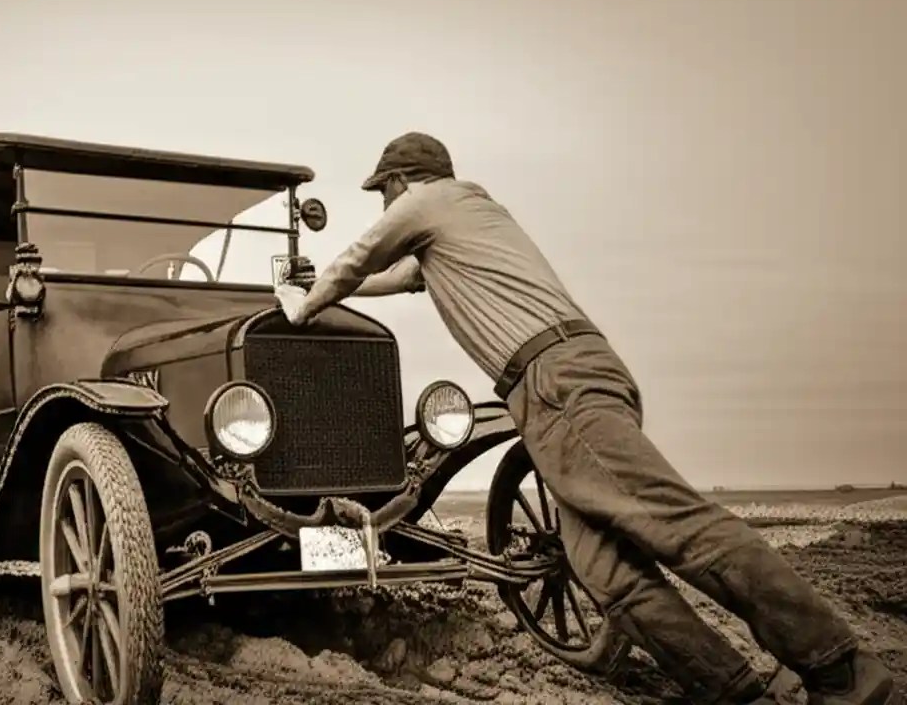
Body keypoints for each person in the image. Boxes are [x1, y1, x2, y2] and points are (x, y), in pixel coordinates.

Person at [273, 132, 899, 705]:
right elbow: (403, 275)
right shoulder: (469, 224)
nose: (382, 205)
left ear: (401, 181)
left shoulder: (430, 200)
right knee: (609, 576)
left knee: (678, 527)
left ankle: (841, 669)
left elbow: (362, 256)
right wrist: (329, 286)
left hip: (557, 381)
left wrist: (303, 307)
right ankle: (731, 690)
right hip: (566, 380)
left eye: (382, 193)